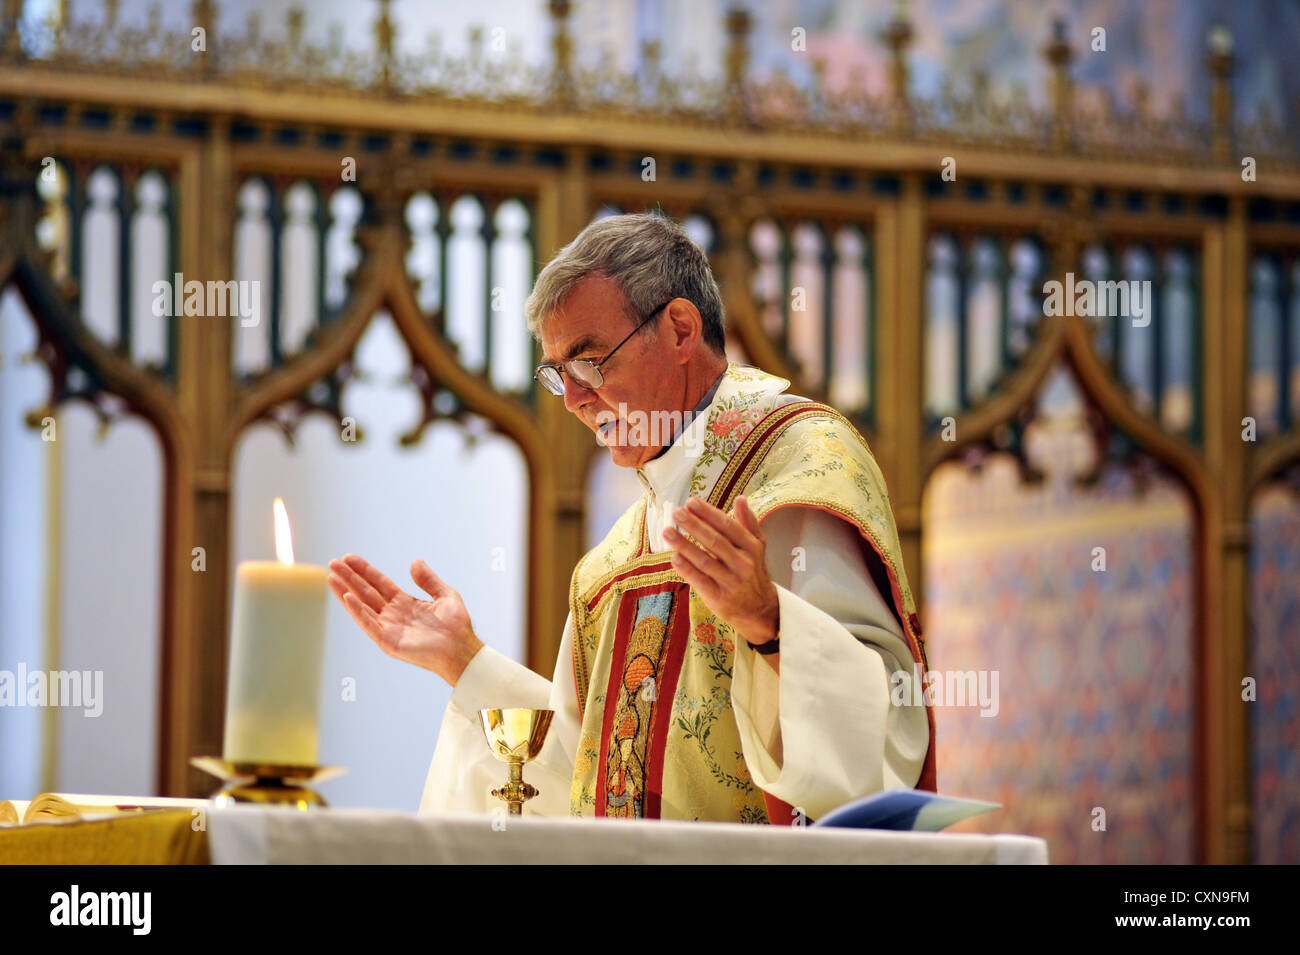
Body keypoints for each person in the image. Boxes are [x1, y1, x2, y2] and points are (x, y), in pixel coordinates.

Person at [328, 212, 936, 823]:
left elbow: (888, 736)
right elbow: (580, 780)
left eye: (590, 361)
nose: (574, 399)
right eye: (558, 374)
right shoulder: (612, 562)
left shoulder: (803, 466)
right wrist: (464, 662)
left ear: (679, 330)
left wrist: (772, 626)